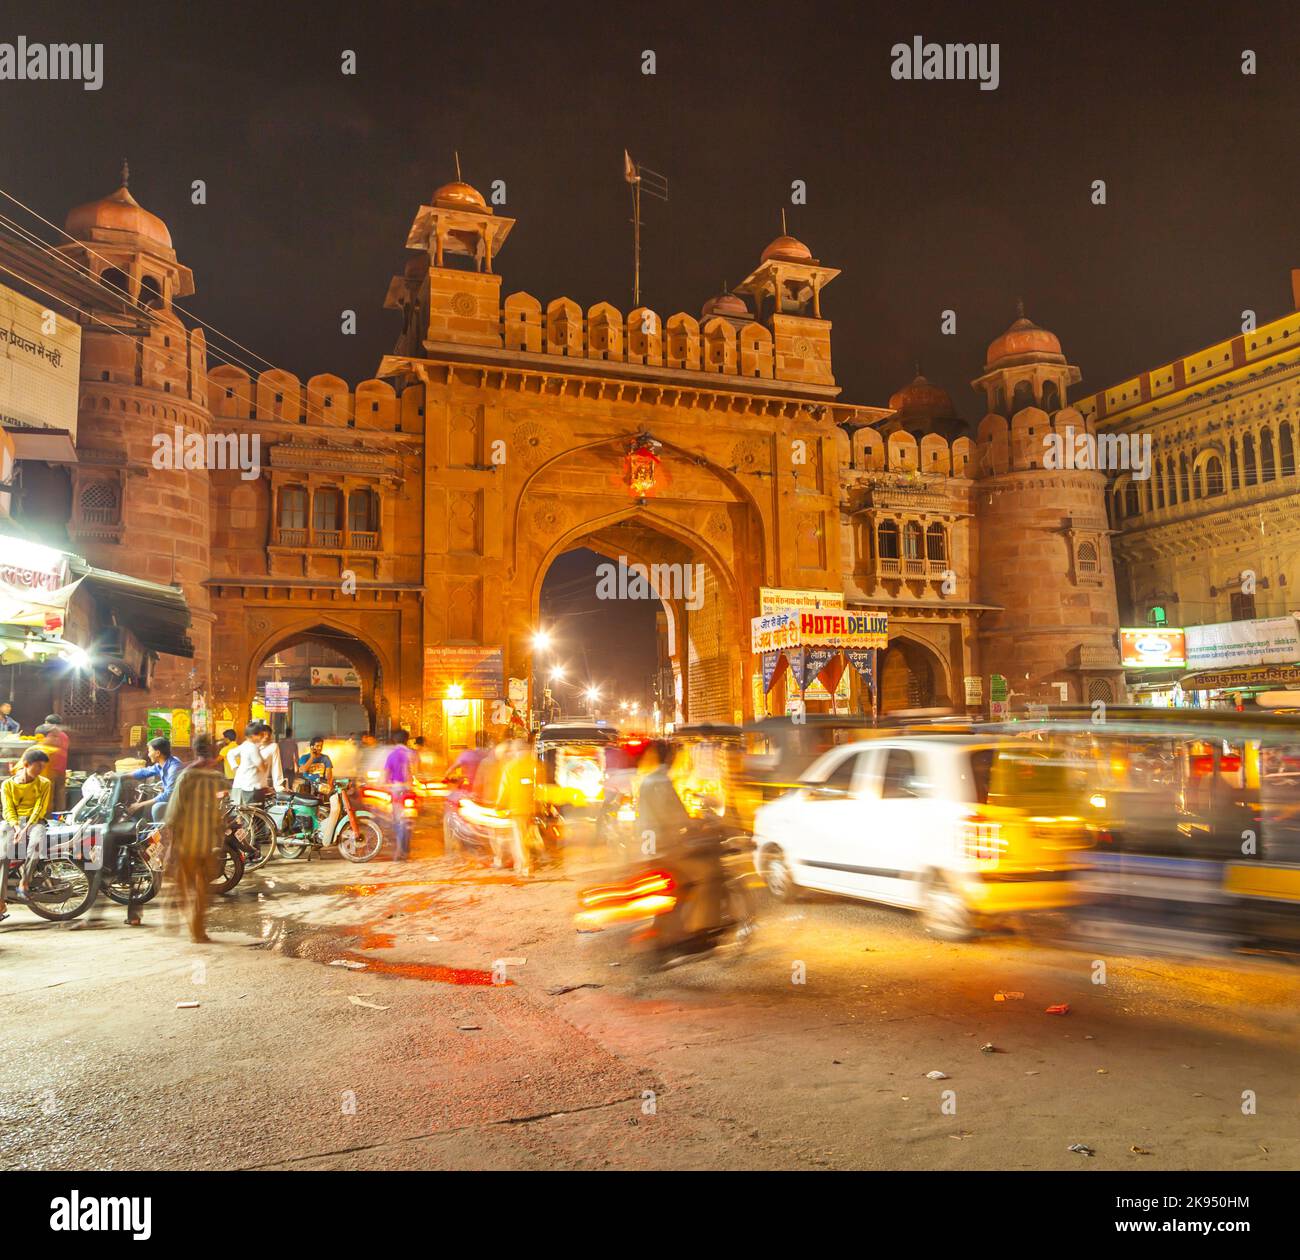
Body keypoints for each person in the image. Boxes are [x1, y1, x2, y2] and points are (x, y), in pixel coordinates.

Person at [165, 734, 225, 943]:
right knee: (202, 889)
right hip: (207, 842)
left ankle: (192, 927)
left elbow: (173, 812)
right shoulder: (216, 779)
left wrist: (171, 847)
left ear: (194, 750)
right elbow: (218, 809)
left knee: (185, 888)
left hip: (186, 842)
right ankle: (198, 930)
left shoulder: (186, 777)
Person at [0, 747, 52, 922]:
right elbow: (8, 810)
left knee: (36, 845)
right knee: (3, 854)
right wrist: (16, 827)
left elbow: (40, 808)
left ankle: (25, 882)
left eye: (42, 767)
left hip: (35, 821)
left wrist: (25, 828)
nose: (40, 770)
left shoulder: (44, 783)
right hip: (12, 822)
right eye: (37, 766)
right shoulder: (7, 785)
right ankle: (0, 902)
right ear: (26, 764)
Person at [495, 738, 539, 877]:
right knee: (522, 837)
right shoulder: (534, 765)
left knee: (519, 838)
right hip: (531, 808)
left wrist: (499, 804)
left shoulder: (510, 767)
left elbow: (504, 788)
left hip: (517, 809)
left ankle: (524, 866)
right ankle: (519, 864)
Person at [128, 737, 184, 822]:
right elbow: (145, 771)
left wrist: (139, 805)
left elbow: (168, 794)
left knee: (157, 807)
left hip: (182, 804)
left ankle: (161, 834)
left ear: (157, 753)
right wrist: (121, 775)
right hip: (174, 800)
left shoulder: (174, 767)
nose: (148, 754)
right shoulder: (162, 764)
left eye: (150, 751)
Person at [384, 729, 418, 861]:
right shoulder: (413, 754)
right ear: (407, 739)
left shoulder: (392, 755)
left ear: (394, 740)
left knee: (398, 821)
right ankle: (407, 850)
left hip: (397, 791)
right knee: (409, 821)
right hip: (410, 791)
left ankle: (399, 850)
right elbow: (417, 772)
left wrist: (383, 784)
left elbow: (385, 774)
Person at [228, 722, 271, 806]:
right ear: (252, 736)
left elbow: (231, 753)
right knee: (252, 814)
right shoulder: (252, 747)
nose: (263, 736)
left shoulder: (246, 745)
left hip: (247, 785)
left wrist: (235, 768)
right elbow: (262, 767)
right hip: (252, 787)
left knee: (245, 812)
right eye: (261, 734)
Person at [34, 714, 69, 812]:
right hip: (62, 767)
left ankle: (48, 816)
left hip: (50, 767)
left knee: (48, 795)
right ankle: (60, 814)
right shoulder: (64, 736)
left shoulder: (50, 735)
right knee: (60, 792)